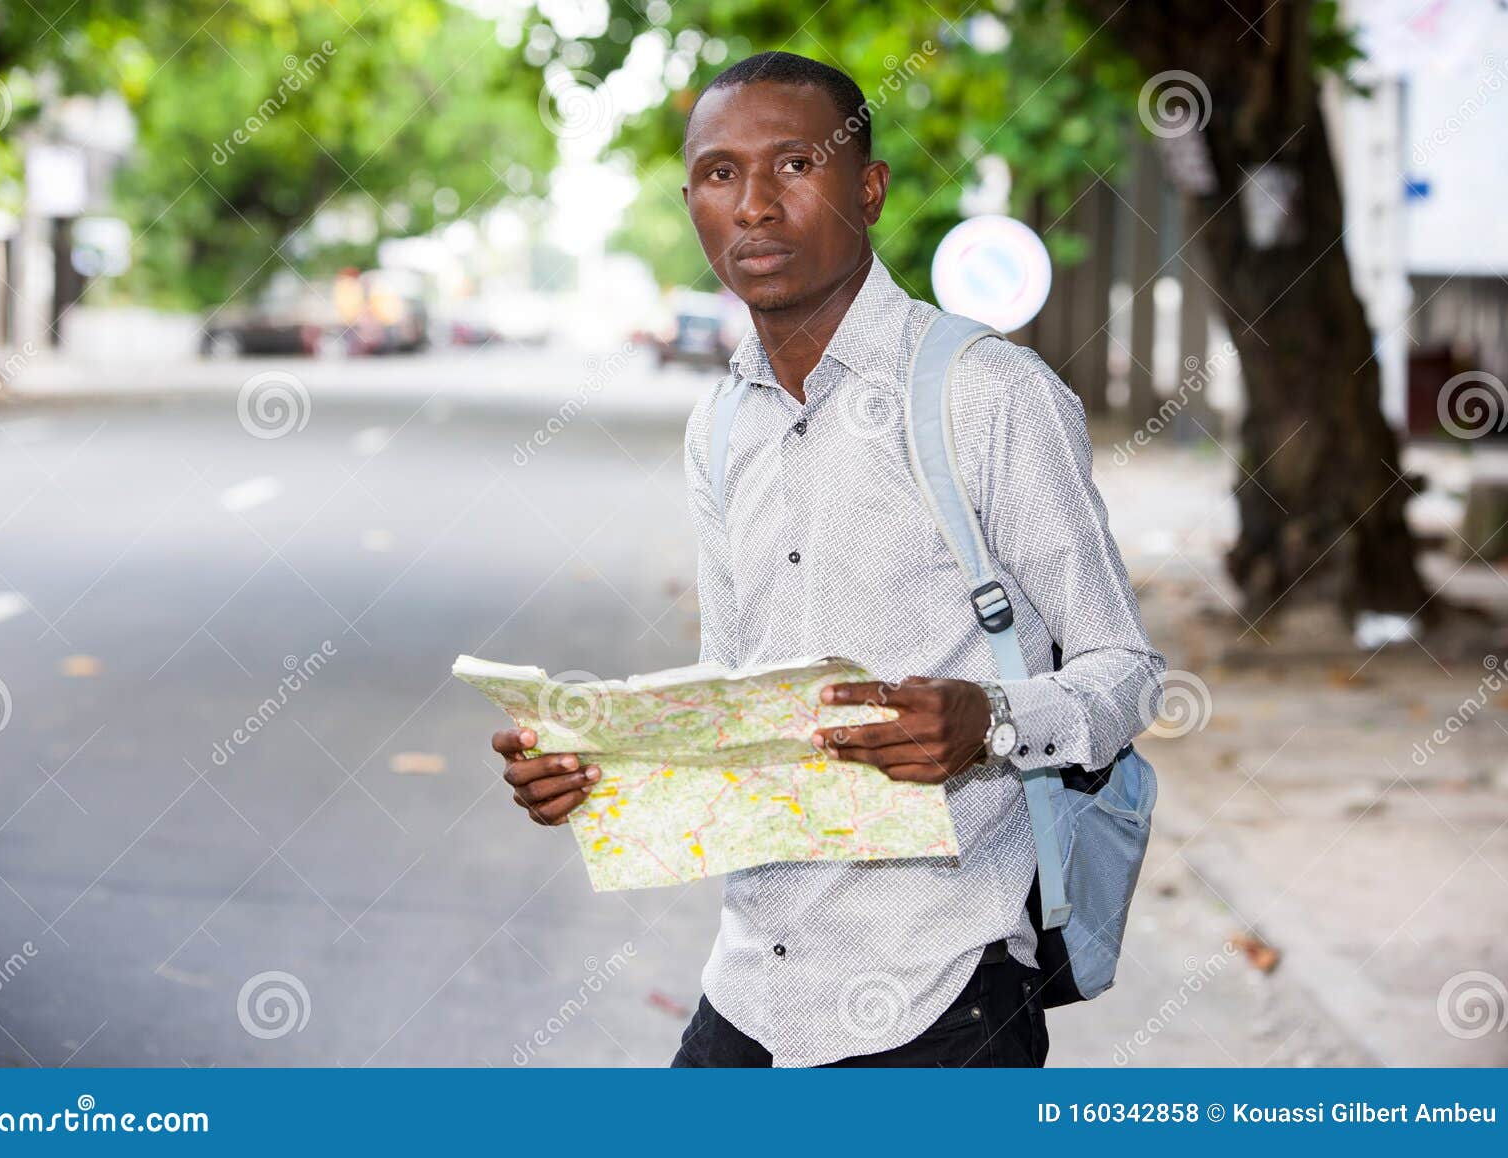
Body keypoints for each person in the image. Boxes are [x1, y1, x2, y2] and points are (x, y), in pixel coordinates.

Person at [492, 50, 1166, 1068]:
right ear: (692, 204)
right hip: (757, 977)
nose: (753, 205)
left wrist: (991, 721)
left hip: (942, 989)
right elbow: (740, 695)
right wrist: (606, 765)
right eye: (720, 175)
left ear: (869, 187)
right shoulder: (718, 423)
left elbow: (1126, 672)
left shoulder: (987, 396)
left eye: (794, 164)